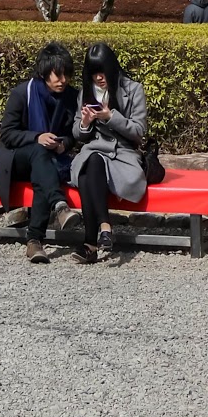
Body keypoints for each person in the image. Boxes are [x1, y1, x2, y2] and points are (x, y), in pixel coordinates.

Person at [0, 42, 80, 264]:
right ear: (43, 73)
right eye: (57, 75)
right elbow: (8, 134)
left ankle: (34, 242)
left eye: (66, 75)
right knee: (40, 155)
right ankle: (59, 206)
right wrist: (36, 137)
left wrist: (63, 144)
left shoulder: (72, 96)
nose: (63, 80)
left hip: (48, 161)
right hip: (17, 159)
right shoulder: (23, 93)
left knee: (44, 169)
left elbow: (74, 134)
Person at [70, 42, 147, 264]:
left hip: (122, 154)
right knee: (91, 161)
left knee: (88, 172)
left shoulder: (133, 89)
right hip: (94, 148)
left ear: (112, 68)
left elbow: (138, 131)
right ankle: (104, 228)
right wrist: (85, 123)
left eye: (103, 71)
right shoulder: (86, 92)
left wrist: (111, 117)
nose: (99, 78)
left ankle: (90, 245)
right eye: (94, 73)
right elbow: (77, 133)